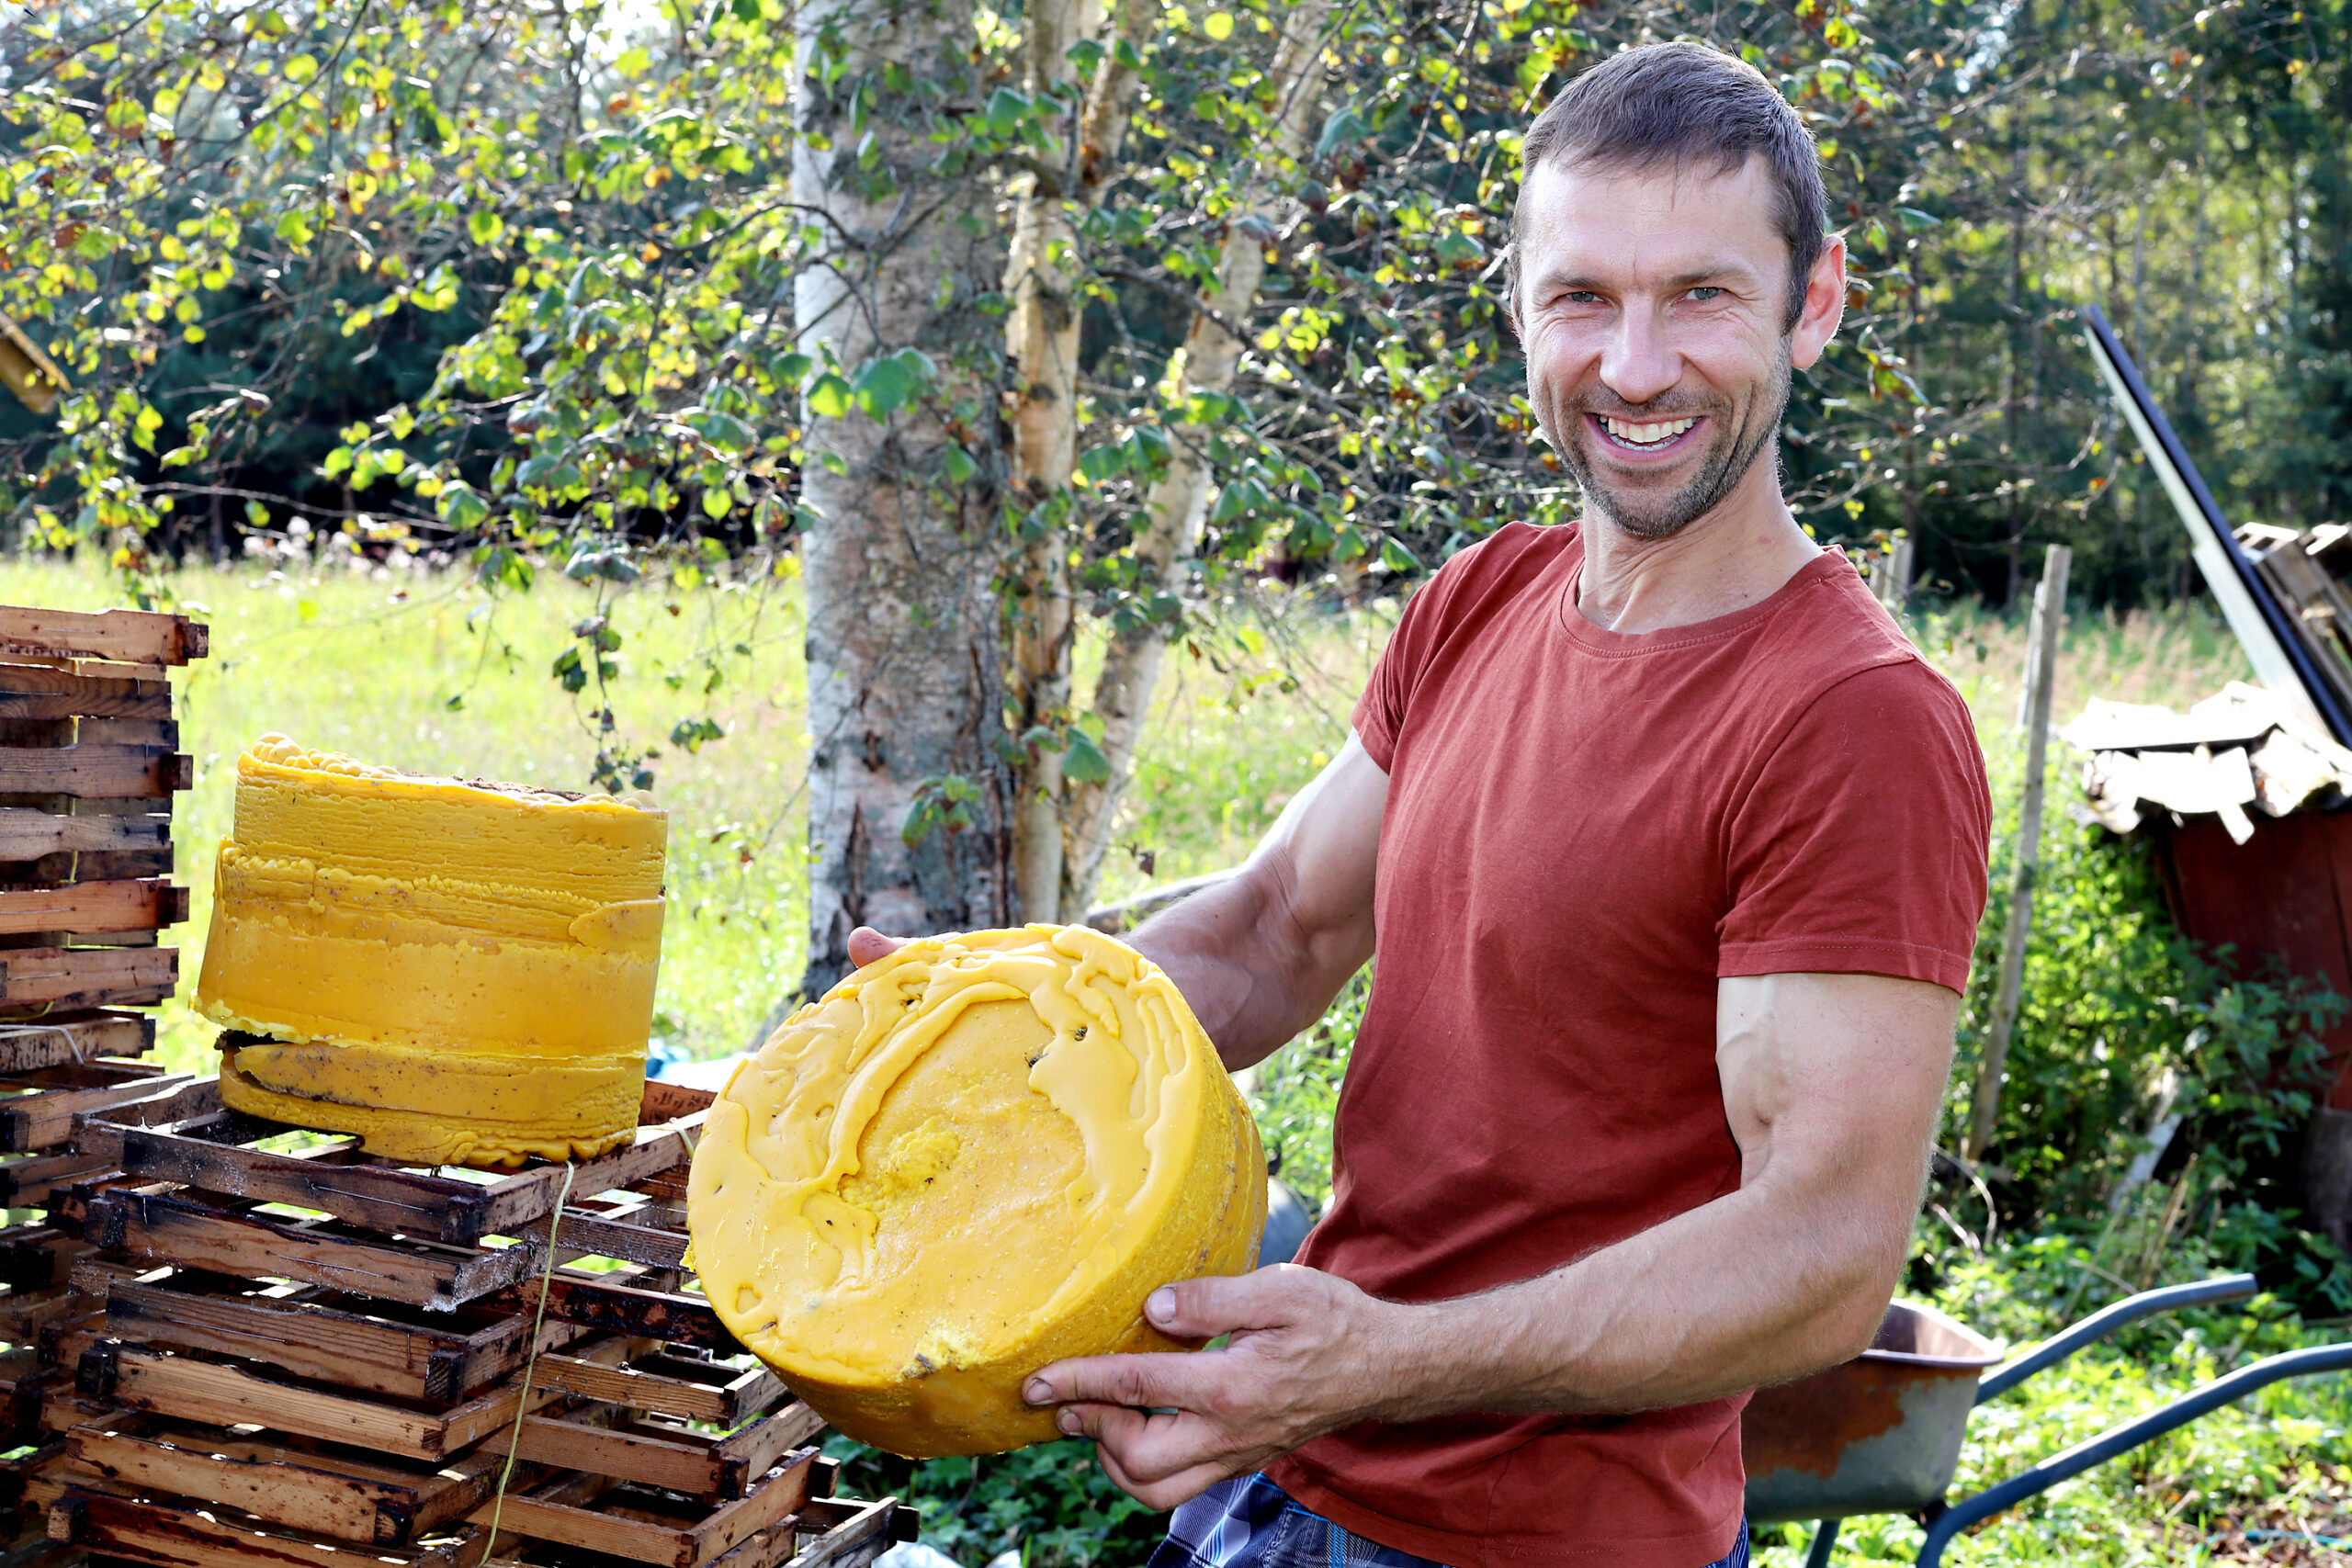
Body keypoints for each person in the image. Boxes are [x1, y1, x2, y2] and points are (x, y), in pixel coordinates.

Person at [850, 39, 1992, 1568]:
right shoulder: (1486, 596)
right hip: (1289, 1478)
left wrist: (1379, 1362)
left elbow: (1822, 1254)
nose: (1634, 366)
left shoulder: (1852, 719)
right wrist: (988, 1031)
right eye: (1581, 296)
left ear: (1816, 302)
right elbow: (1278, 929)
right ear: (1517, 304)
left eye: (1701, 296)